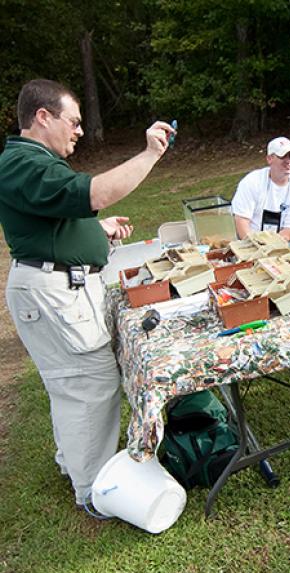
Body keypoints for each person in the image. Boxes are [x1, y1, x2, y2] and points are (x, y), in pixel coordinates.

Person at [0, 79, 174, 508]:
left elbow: (52, 218)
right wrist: (151, 153)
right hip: (55, 292)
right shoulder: (24, 162)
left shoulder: (31, 162)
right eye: (73, 122)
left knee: (70, 385)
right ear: (43, 117)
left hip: (55, 286)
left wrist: (97, 230)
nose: (79, 131)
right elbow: (95, 192)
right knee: (90, 384)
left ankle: (74, 464)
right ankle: (95, 492)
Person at [231, 136, 290, 264]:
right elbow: (241, 221)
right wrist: (255, 248)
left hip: (278, 244)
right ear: (269, 159)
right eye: (283, 156)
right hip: (247, 242)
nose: (289, 161)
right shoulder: (251, 182)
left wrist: (271, 248)